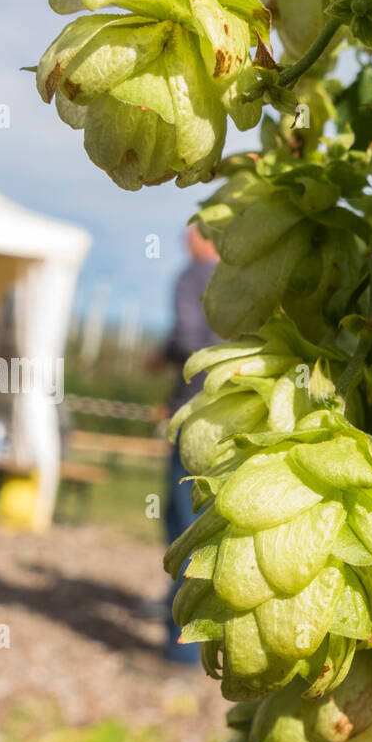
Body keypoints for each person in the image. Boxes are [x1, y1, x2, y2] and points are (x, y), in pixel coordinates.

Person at [158, 225, 221, 662]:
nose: (186, 242)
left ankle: (181, 644)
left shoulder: (193, 276)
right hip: (231, 421)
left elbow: (186, 339)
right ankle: (197, 627)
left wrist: (161, 354)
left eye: (192, 234)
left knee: (182, 529)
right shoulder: (244, 282)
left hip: (193, 418)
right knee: (207, 527)